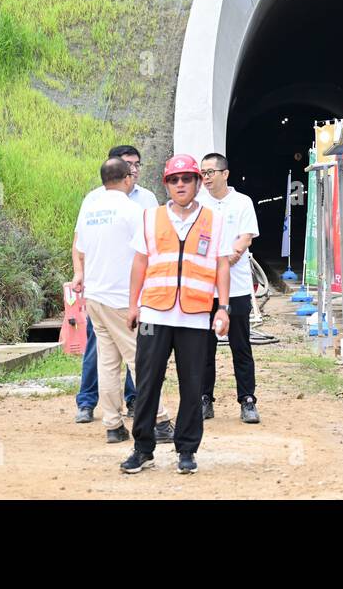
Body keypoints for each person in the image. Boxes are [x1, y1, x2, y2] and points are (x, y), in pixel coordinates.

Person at [121, 155, 234, 475]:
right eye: (174, 180)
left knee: (192, 385)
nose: (180, 185)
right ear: (166, 184)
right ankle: (142, 448)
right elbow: (139, 263)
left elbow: (222, 265)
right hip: (155, 315)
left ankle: (187, 449)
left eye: (187, 179)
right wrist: (133, 305)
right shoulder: (150, 218)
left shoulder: (214, 220)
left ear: (199, 183)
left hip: (195, 316)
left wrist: (223, 308)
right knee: (146, 384)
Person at [72, 157, 174, 444]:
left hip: (95, 297)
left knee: (108, 363)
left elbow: (79, 249)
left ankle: (114, 425)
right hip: (123, 300)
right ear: (128, 179)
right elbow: (149, 253)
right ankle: (160, 421)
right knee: (140, 359)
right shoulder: (134, 211)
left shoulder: (89, 210)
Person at [196, 152, 262, 423]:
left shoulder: (242, 202)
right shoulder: (197, 203)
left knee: (240, 345)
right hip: (203, 288)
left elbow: (245, 237)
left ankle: (247, 400)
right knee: (203, 348)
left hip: (236, 287)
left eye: (210, 172)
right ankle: (204, 398)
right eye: (203, 173)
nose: (206, 178)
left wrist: (228, 256)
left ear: (225, 173)